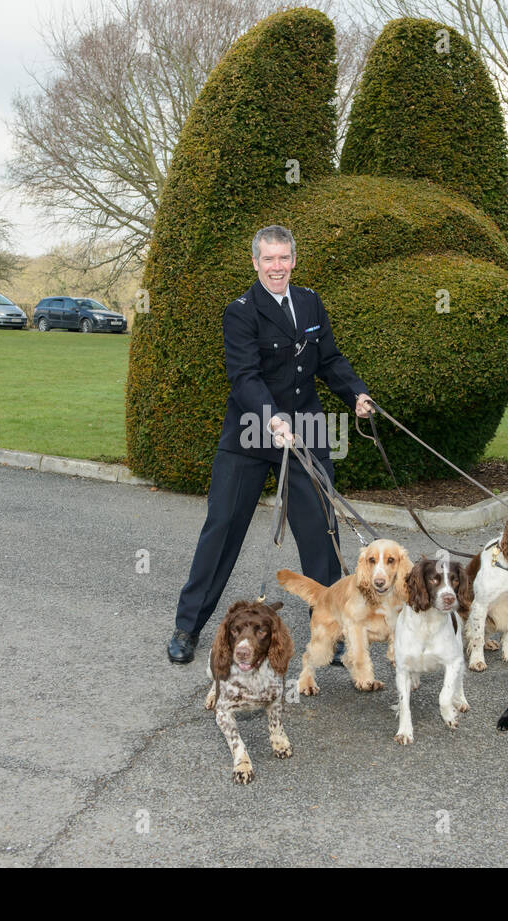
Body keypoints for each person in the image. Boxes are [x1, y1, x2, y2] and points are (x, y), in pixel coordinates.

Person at [168, 225, 372, 664]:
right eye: (268, 259)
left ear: (293, 260)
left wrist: (356, 393)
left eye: (284, 258)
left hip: (307, 430)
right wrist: (272, 418)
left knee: (321, 531)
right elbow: (245, 376)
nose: (276, 267)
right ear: (256, 262)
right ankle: (188, 626)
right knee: (221, 527)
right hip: (251, 429)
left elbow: (330, 359)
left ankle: (332, 632)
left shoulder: (310, 301)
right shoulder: (240, 311)